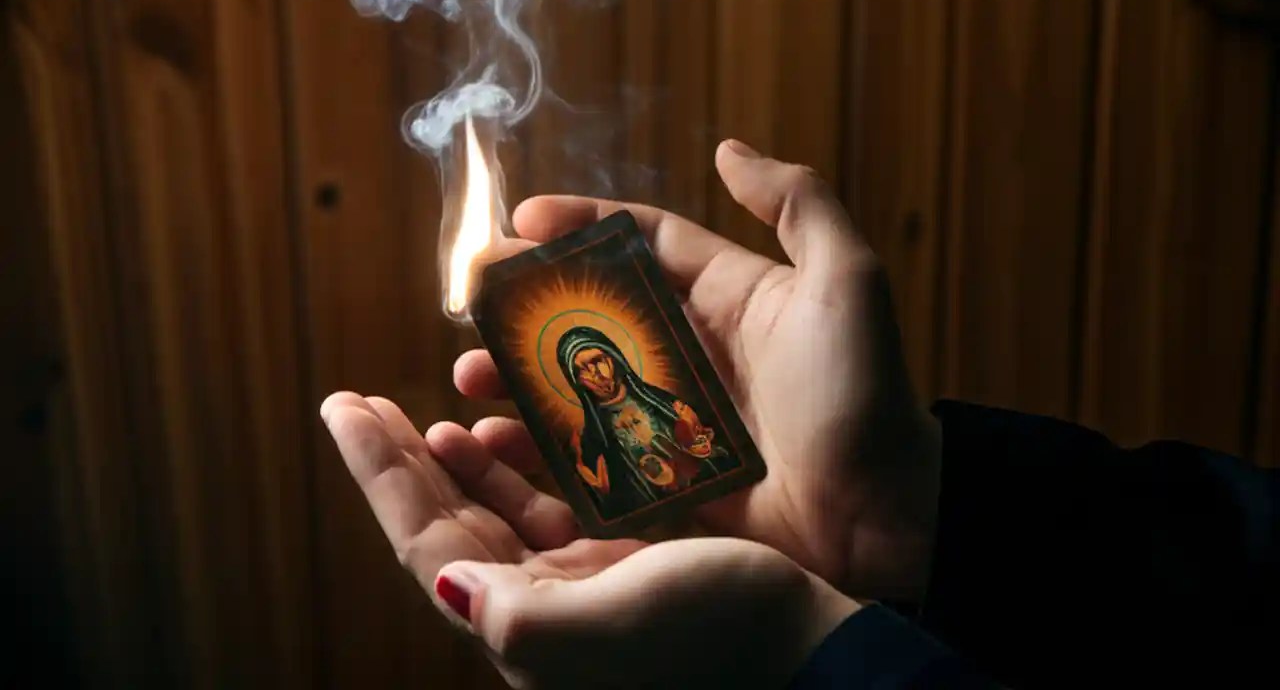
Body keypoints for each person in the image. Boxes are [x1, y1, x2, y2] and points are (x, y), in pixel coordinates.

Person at [320, 139, 1278, 688]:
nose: (602, 382)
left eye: (606, 364)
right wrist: (916, 508)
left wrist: (803, 658)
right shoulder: (599, 437)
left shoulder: (665, 408)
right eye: (588, 374)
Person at [557, 325, 736, 519]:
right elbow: (615, 503)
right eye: (582, 370)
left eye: (597, 361)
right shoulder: (593, 440)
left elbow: (717, 453)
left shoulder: (662, 402)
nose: (596, 374)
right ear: (577, 382)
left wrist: (693, 438)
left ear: (614, 359)